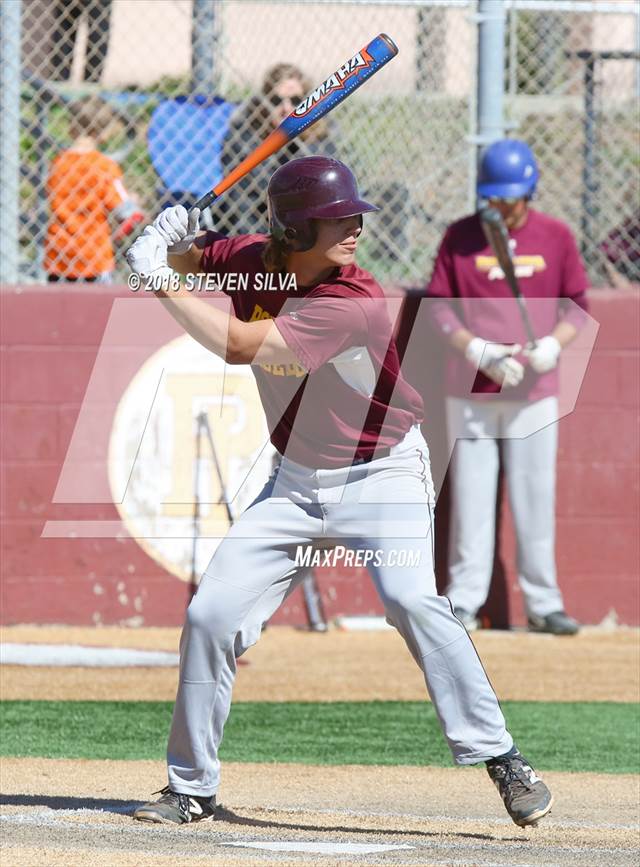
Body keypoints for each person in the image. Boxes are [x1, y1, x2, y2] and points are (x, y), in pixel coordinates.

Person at [125, 156, 554, 829]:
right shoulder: (251, 260)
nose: (355, 227)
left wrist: (158, 278)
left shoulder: (352, 300)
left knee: (412, 601)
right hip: (294, 482)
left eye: (355, 216)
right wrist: (170, 240)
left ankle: (502, 756)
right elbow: (187, 259)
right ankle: (191, 786)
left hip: (383, 475)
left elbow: (241, 345)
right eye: (337, 219)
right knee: (210, 616)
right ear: (295, 230)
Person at [427, 139, 588, 636]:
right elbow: (438, 306)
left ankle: (544, 603)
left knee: (535, 497)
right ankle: (464, 601)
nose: (502, 206)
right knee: (471, 499)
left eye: (512, 197)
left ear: (530, 191)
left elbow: (577, 306)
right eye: (495, 196)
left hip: (534, 393)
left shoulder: (555, 236)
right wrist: (475, 349)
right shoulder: (459, 237)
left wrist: (553, 346)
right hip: (472, 391)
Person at [217, 63, 334, 234]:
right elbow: (240, 205)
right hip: (255, 227)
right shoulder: (244, 138)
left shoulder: (318, 139)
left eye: (296, 101)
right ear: (264, 103)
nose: (286, 108)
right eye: (276, 101)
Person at [44, 96, 144, 283]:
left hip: (58, 255)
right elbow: (126, 211)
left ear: (71, 127)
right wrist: (133, 201)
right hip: (94, 258)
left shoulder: (57, 163)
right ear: (103, 133)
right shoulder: (105, 167)